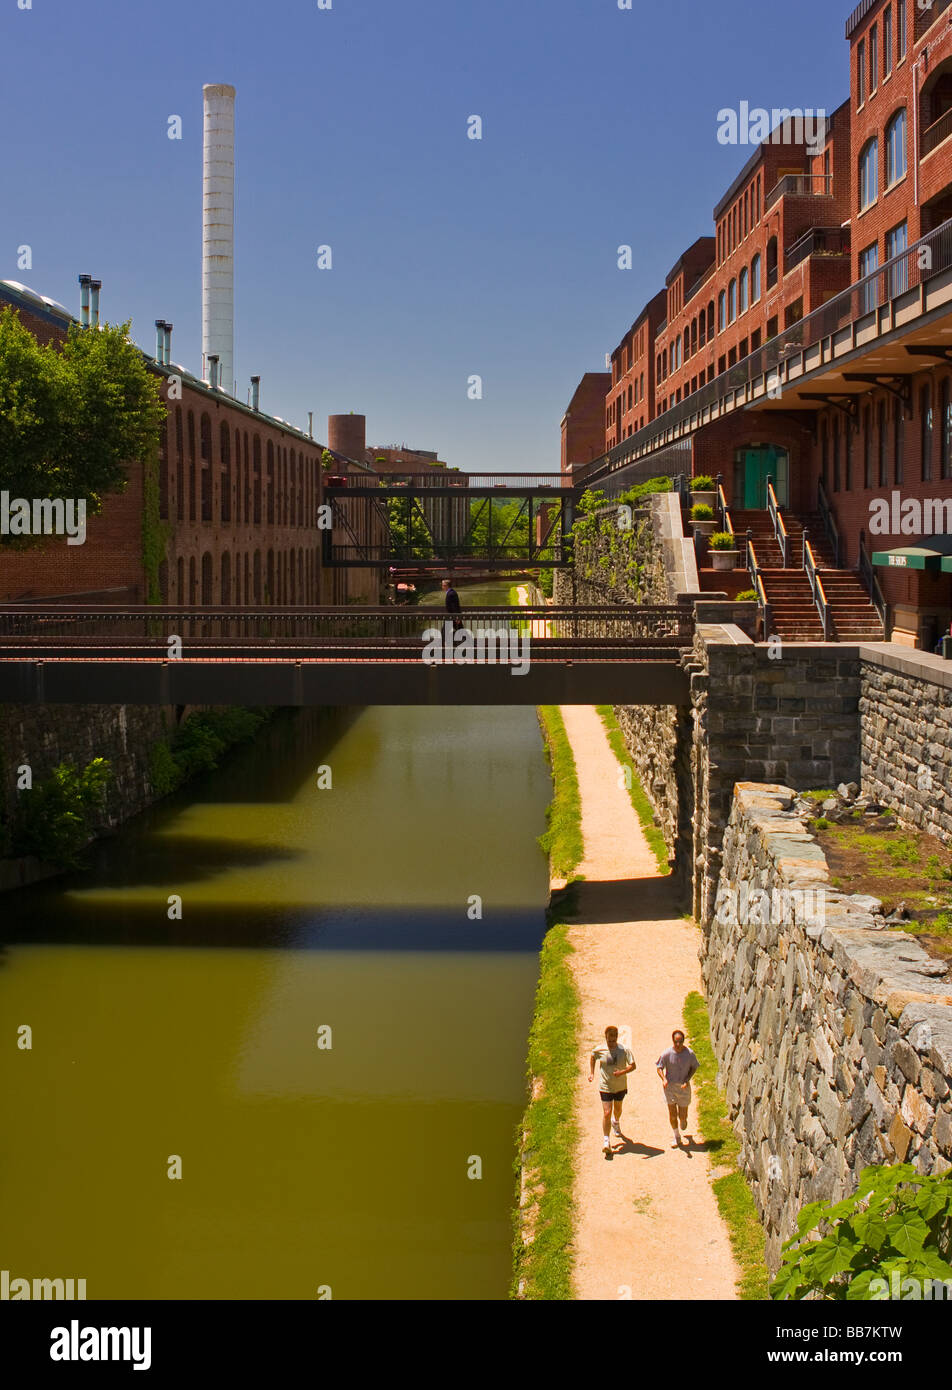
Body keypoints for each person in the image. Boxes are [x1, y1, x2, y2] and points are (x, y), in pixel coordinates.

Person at [588, 1025, 636, 1158]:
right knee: (607, 1112)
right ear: (606, 1038)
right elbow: (592, 1056)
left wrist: (622, 1072)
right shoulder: (600, 1049)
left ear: (617, 1038)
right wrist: (591, 1073)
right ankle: (606, 1141)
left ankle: (616, 1122)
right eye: (609, 1041)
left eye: (614, 1041)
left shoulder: (624, 1050)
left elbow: (633, 1065)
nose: (611, 1044)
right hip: (605, 1086)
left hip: (620, 1086)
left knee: (618, 1109)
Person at [656, 1029, 699, 1148]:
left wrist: (687, 1079)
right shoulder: (666, 1053)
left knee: (682, 1117)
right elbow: (659, 1067)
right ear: (673, 1041)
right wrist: (664, 1079)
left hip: (683, 1088)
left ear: (684, 1041)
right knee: (672, 1113)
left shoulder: (689, 1054)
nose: (678, 1045)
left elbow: (694, 1067)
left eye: (680, 1042)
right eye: (676, 1042)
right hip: (670, 1088)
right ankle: (677, 1137)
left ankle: (684, 1120)